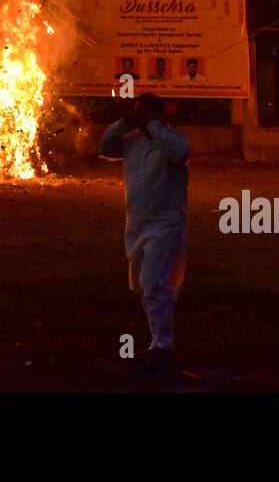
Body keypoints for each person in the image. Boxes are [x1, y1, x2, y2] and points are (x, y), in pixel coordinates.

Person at [100, 94, 191, 374]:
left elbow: (179, 152)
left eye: (144, 112)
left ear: (157, 115)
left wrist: (152, 125)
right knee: (144, 286)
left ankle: (164, 347)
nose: (139, 117)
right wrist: (124, 122)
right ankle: (157, 344)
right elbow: (106, 146)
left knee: (153, 285)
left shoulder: (173, 140)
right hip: (136, 222)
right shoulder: (132, 141)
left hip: (164, 223)